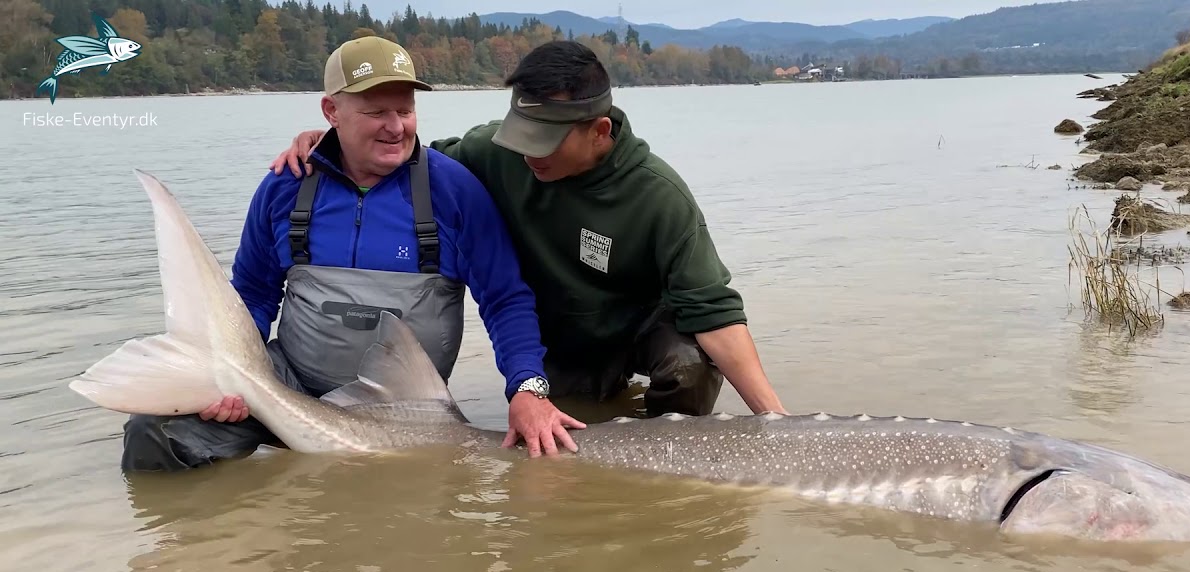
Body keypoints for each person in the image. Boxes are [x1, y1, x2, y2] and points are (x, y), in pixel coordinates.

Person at [121, 36, 585, 472]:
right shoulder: (287, 186)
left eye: (405, 110)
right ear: (332, 111)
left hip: (409, 408)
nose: (395, 126)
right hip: (287, 386)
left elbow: (505, 301)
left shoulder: (454, 191)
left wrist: (527, 387)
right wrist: (228, 381)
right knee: (154, 434)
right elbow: (253, 297)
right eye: (376, 111)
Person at [269, 40, 788, 420]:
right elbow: (407, 161)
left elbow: (717, 316)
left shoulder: (659, 196)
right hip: (558, 339)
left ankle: (669, 465)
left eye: (543, 141)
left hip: (639, 330)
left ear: (598, 131)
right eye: (520, 134)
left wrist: (775, 422)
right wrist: (330, 140)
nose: (526, 154)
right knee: (560, 435)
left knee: (689, 366)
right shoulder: (495, 153)